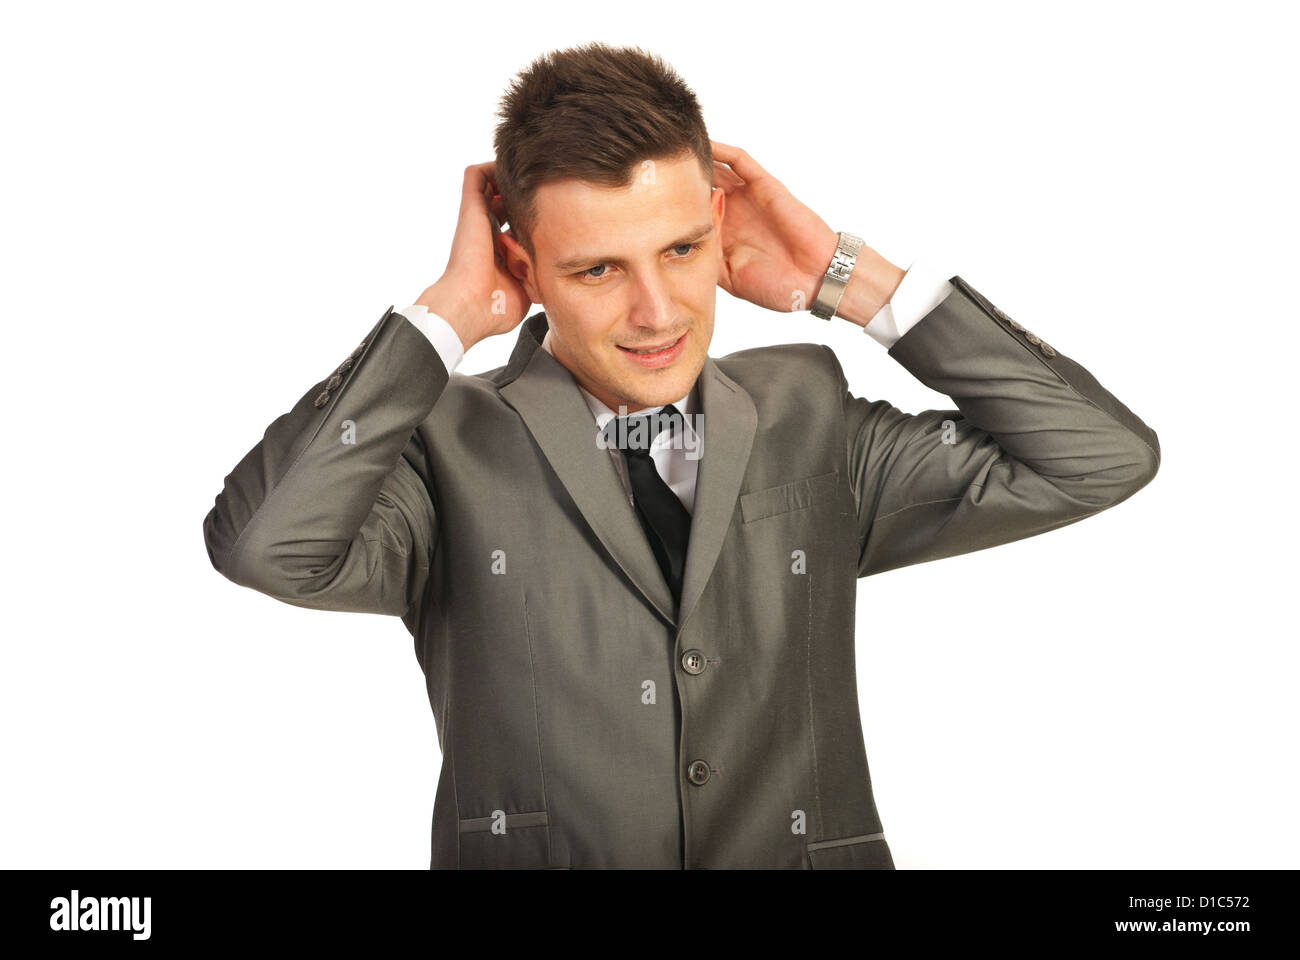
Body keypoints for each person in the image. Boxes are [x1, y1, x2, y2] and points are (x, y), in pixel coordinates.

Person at [202, 42, 1160, 869]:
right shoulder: (443, 448)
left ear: (719, 224)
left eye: (682, 249)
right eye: (597, 269)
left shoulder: (806, 414)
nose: (658, 313)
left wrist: (847, 277)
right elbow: (265, 548)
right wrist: (446, 320)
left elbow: (1096, 457)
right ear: (524, 268)